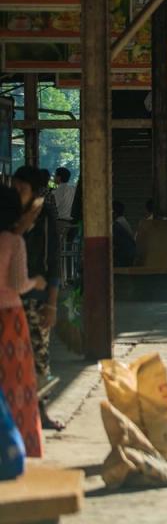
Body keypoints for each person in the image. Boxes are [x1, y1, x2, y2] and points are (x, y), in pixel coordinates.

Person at [12, 167, 61, 432]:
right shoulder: (11, 217)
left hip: (37, 298)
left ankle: (41, 412)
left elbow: (52, 264)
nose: (17, 192)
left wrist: (52, 303)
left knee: (39, 356)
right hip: (10, 300)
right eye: (15, 188)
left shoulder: (44, 220)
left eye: (22, 188)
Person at [0, 184, 46, 457]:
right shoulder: (13, 242)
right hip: (9, 320)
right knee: (16, 382)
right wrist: (36, 282)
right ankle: (18, 446)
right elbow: (17, 283)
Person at [113, 201, 137, 267]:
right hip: (129, 254)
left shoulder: (117, 224)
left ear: (114, 212)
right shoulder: (122, 221)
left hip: (125, 256)